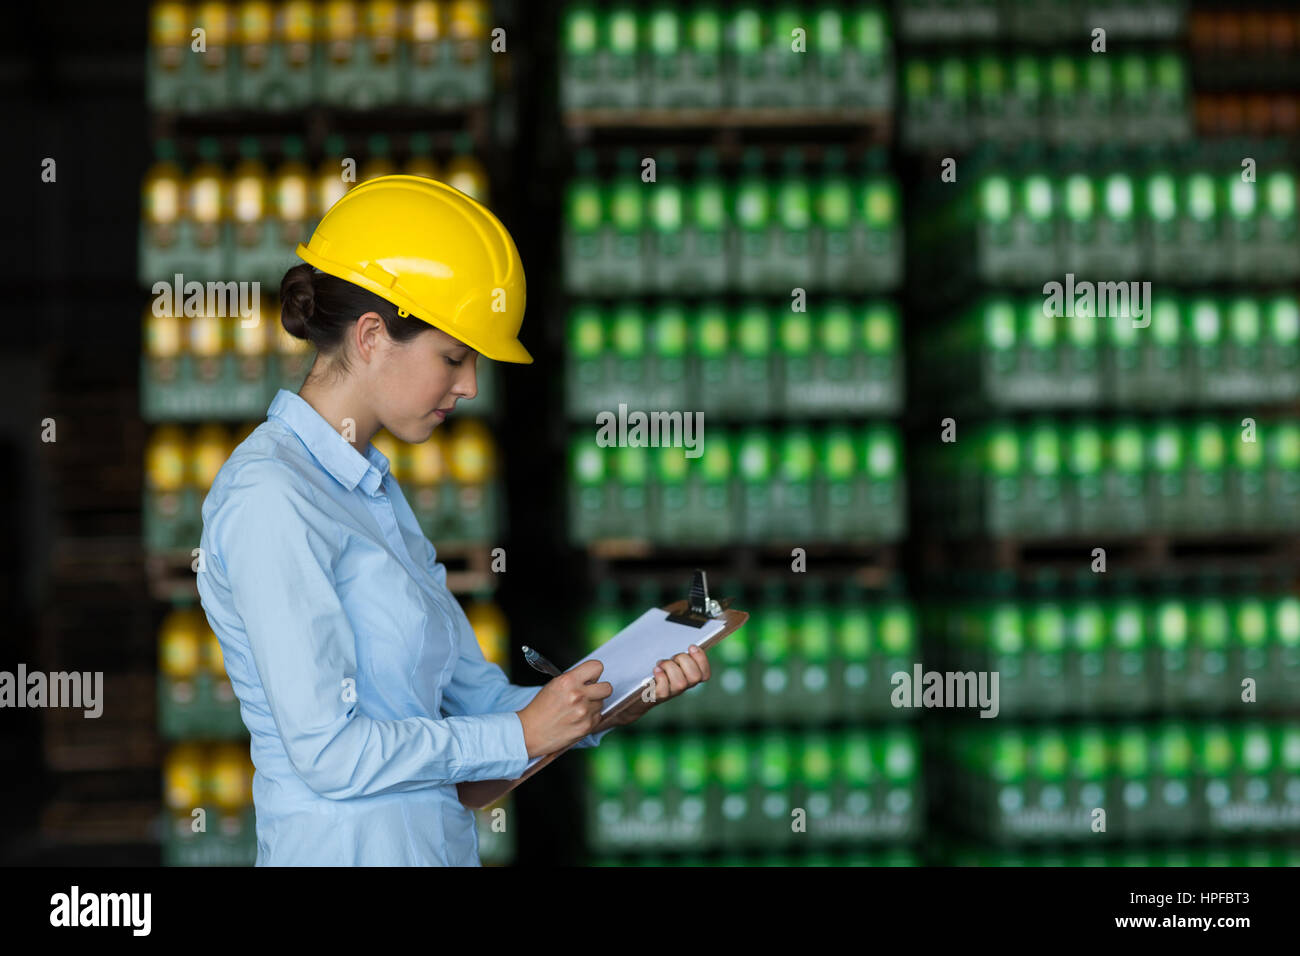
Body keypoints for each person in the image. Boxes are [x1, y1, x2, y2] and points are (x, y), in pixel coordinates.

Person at [196, 175, 710, 865]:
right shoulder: (270, 499)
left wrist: (614, 696)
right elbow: (329, 754)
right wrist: (521, 733)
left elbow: (480, 730)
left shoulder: (375, 494)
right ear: (373, 335)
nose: (469, 384)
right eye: (453, 356)